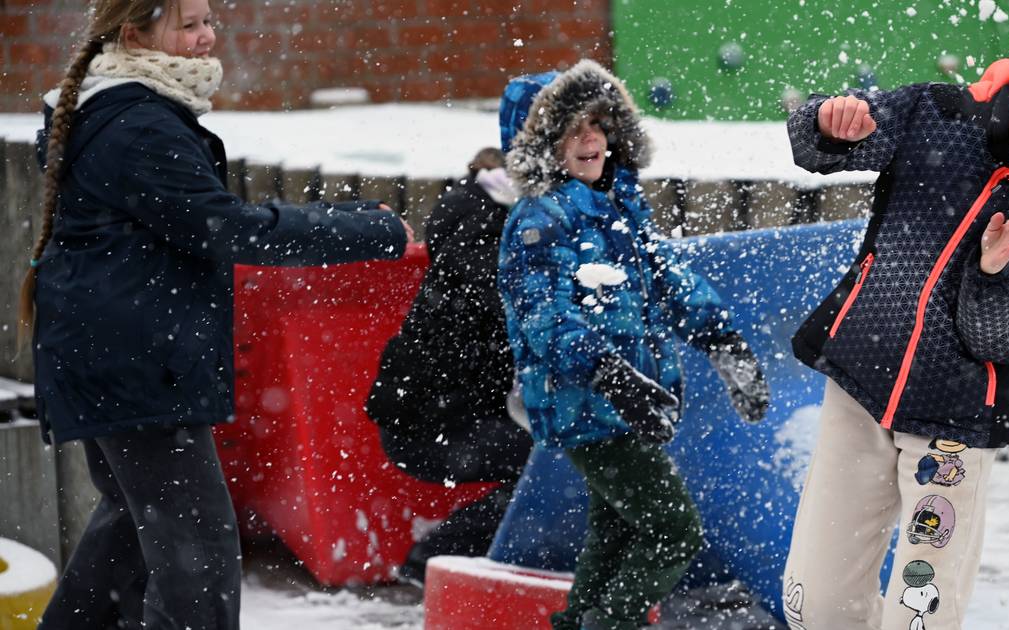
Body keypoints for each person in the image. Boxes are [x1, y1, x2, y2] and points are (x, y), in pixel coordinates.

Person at [20, 1, 411, 628]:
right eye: (189, 25)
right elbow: (223, 227)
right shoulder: (137, 124)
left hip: (110, 354)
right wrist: (368, 230)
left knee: (130, 534)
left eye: (209, 21)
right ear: (135, 34)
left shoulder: (115, 108)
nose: (207, 38)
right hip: (135, 364)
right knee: (196, 555)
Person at [780, 30, 1009, 630]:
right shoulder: (935, 113)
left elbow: (1002, 342)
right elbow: (824, 150)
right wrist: (825, 122)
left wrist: (993, 274)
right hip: (860, 387)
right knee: (816, 604)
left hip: (952, 429)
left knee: (918, 614)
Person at [497, 59, 771, 630]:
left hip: (625, 404)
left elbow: (669, 284)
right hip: (586, 405)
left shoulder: (617, 211)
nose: (590, 138)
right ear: (541, 144)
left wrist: (723, 343)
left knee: (618, 531)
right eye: (572, 128)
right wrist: (611, 374)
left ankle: (582, 621)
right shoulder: (539, 221)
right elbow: (546, 320)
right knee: (674, 529)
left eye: (598, 123)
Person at [365, 147, 532, 583]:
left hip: (438, 414)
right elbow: (497, 305)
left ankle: (441, 558)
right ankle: (433, 560)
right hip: (429, 427)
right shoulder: (486, 233)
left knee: (569, 454)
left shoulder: (485, 213)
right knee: (564, 459)